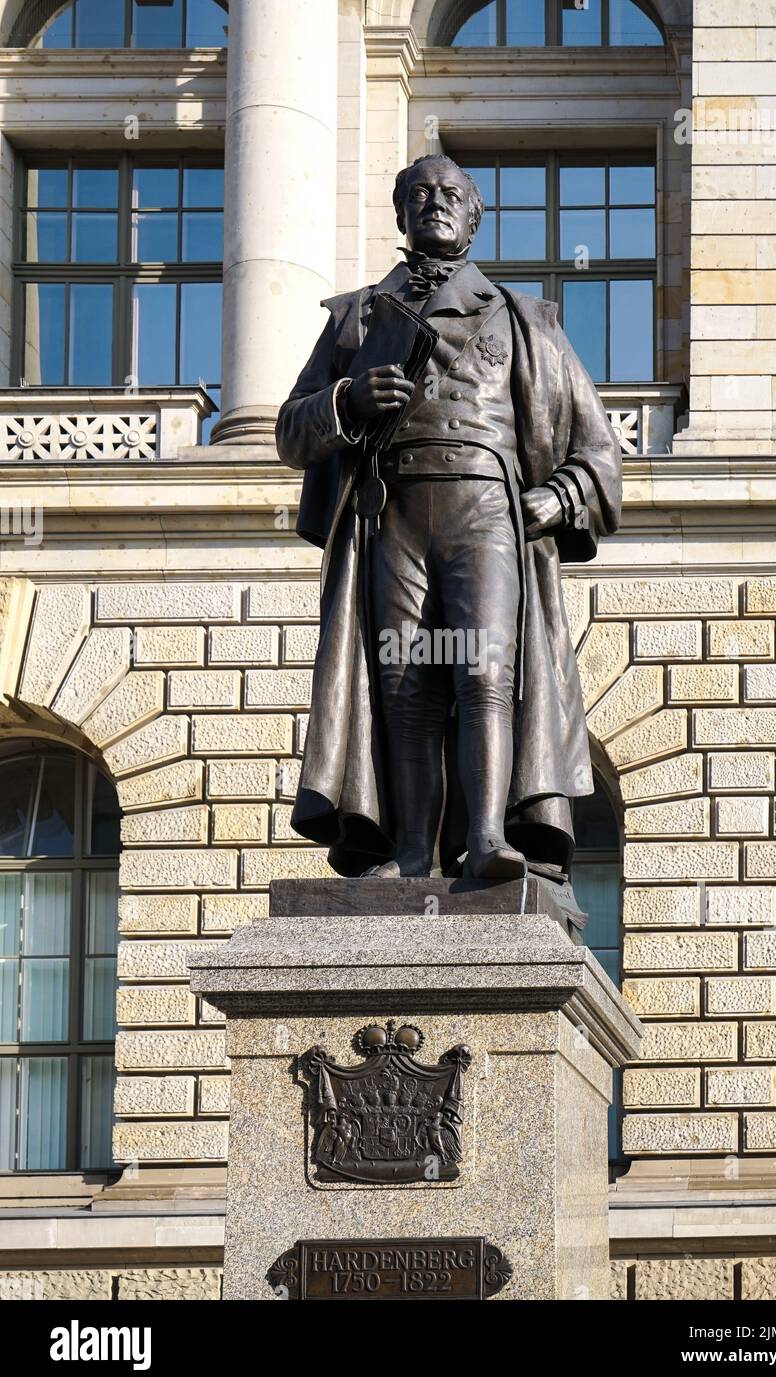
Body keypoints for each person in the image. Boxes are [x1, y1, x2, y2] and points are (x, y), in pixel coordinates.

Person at [276, 154, 621, 880]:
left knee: (483, 672)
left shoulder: (527, 320)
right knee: (405, 684)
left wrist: (558, 498)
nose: (436, 202)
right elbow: (290, 430)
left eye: (452, 194)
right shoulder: (357, 319)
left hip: (487, 512)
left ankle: (489, 837)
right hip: (392, 512)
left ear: (474, 217)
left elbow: (598, 447)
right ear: (401, 214)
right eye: (420, 193)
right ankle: (409, 854)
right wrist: (346, 402)